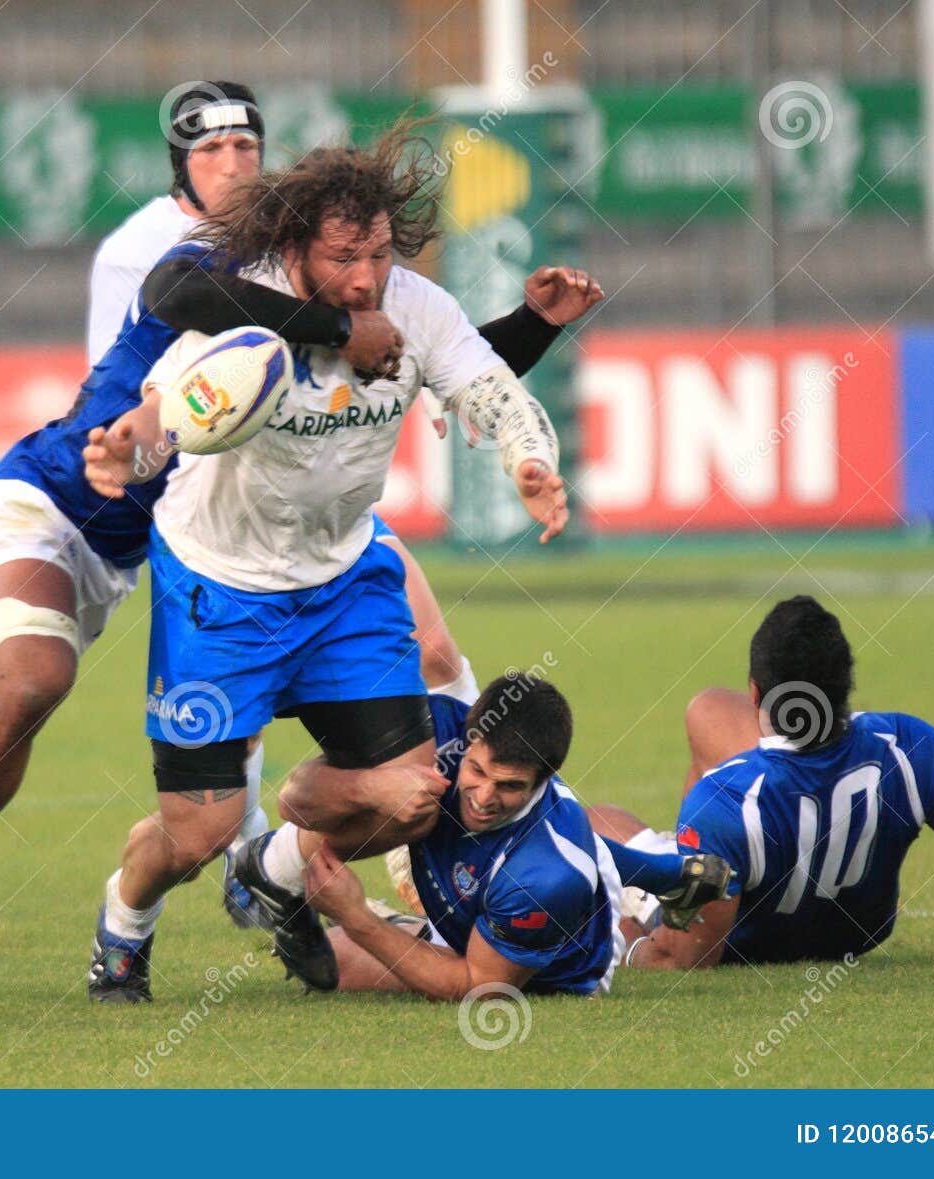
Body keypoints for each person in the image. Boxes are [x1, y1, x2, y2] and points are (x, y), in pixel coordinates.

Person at [88, 81, 605, 931]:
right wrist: (131, 441)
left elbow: (487, 388)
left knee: (413, 799)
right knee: (195, 833)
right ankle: (126, 918)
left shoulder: (416, 304)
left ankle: (274, 860)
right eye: (342, 260)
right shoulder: (239, 308)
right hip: (218, 588)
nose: (366, 280)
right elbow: (172, 388)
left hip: (341, 583)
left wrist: (533, 460)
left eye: (379, 256)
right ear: (296, 246)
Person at [611, 595, 934, 969]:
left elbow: (680, 961)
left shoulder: (720, 801)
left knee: (597, 822)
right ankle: (693, 856)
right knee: (707, 709)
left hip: (743, 942)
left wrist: (625, 934)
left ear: (756, 691)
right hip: (855, 934)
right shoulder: (910, 745)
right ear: (846, 682)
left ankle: (680, 864)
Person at [298, 675, 733, 1000]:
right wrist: (368, 789)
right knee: (581, 836)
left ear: (543, 780)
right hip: (519, 868)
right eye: (478, 771)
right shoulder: (437, 730)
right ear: (468, 740)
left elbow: (477, 986)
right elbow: (296, 799)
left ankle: (647, 895)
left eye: (509, 786)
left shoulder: (547, 876)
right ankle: (667, 874)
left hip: (555, 964)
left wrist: (357, 918)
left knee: (334, 962)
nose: (484, 798)